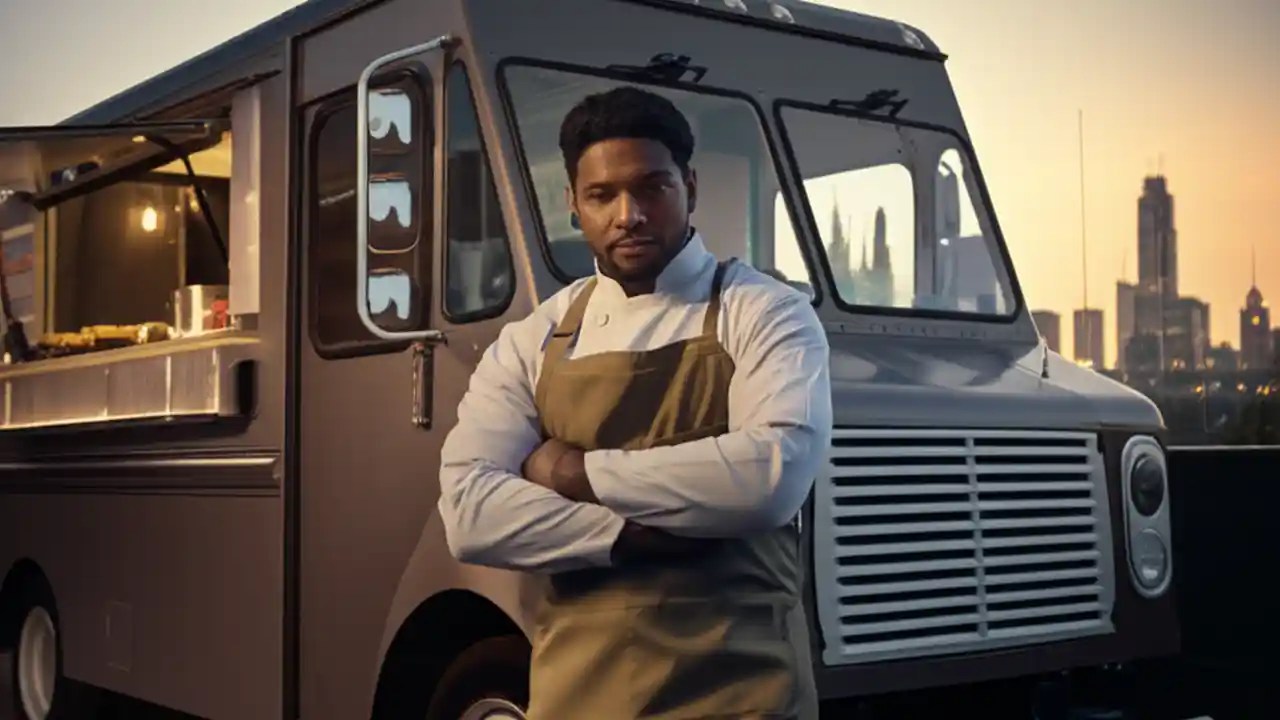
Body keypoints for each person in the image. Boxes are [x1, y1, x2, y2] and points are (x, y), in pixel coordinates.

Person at [437, 85, 832, 720]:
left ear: (691, 187)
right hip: (575, 695)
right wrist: (625, 537)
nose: (629, 215)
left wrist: (570, 472)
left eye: (652, 188)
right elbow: (469, 512)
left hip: (741, 694)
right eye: (602, 195)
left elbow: (769, 477)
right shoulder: (534, 337)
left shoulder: (765, 311)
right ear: (573, 204)